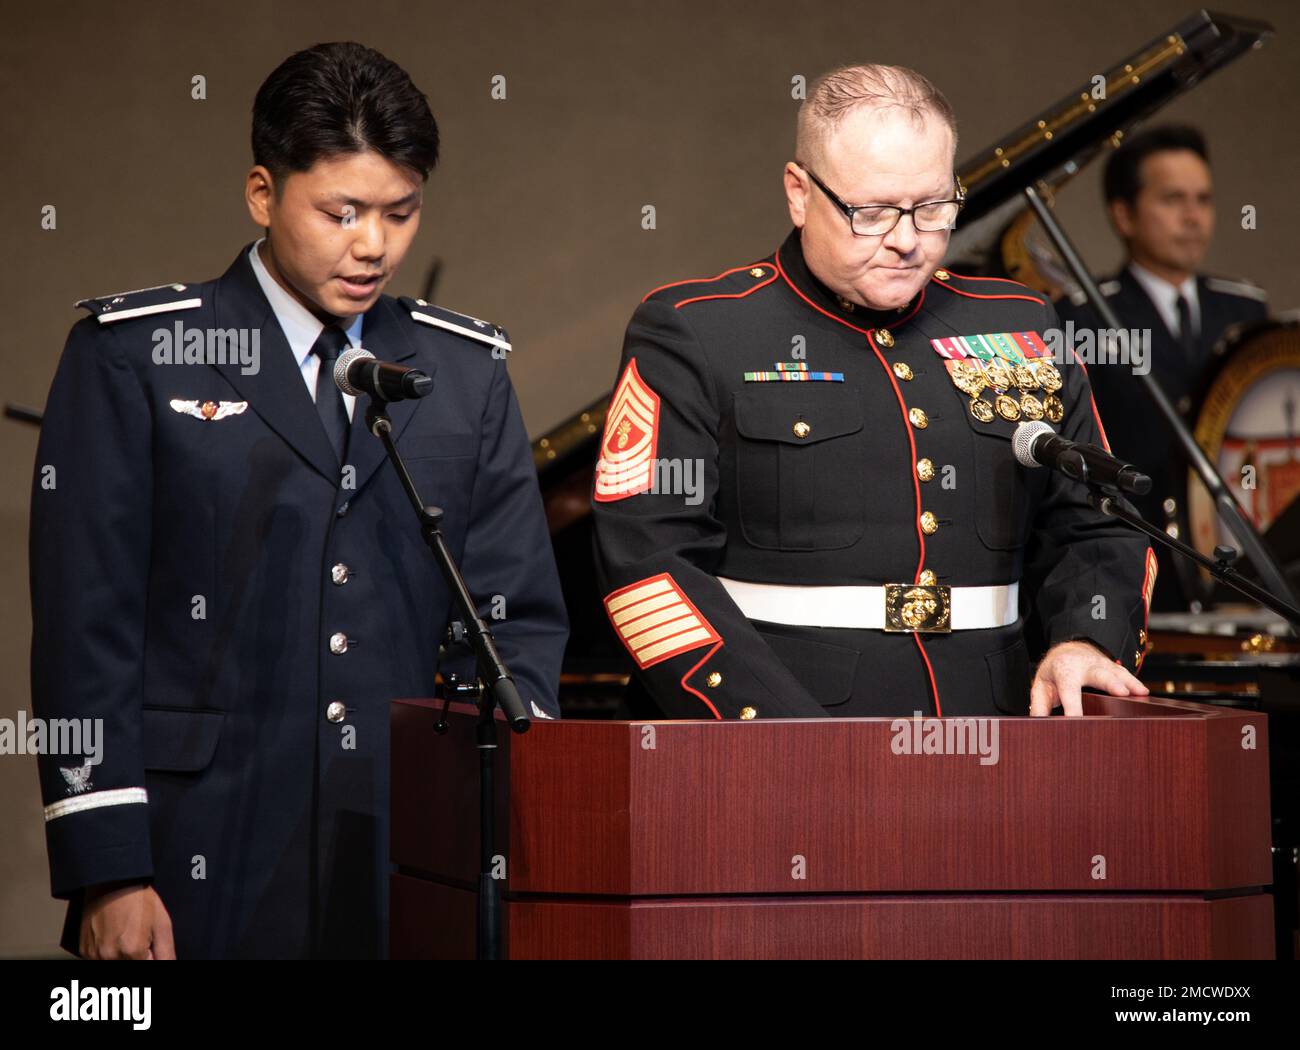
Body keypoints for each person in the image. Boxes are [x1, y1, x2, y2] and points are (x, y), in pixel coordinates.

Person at [29, 41, 567, 959]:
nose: (374, 245)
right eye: (341, 211)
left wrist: (492, 830)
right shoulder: (134, 355)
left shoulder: (466, 373)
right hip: (192, 846)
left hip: (410, 851)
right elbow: (88, 632)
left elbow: (514, 619)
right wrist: (108, 868)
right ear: (261, 193)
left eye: (401, 213)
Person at [591, 64, 1154, 722]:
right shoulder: (701, 330)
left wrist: (1084, 640)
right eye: (874, 211)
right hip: (777, 734)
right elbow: (647, 563)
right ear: (799, 193)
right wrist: (781, 733)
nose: (908, 240)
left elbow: (1099, 519)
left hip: (999, 725)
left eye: (934, 207)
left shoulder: (1022, 325)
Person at [1054, 125, 1268, 610]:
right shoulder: (1083, 314)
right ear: (1123, 214)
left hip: (1239, 568)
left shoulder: (1246, 308)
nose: (1193, 217)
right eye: (1173, 199)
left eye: (1203, 199)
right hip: (1138, 563)